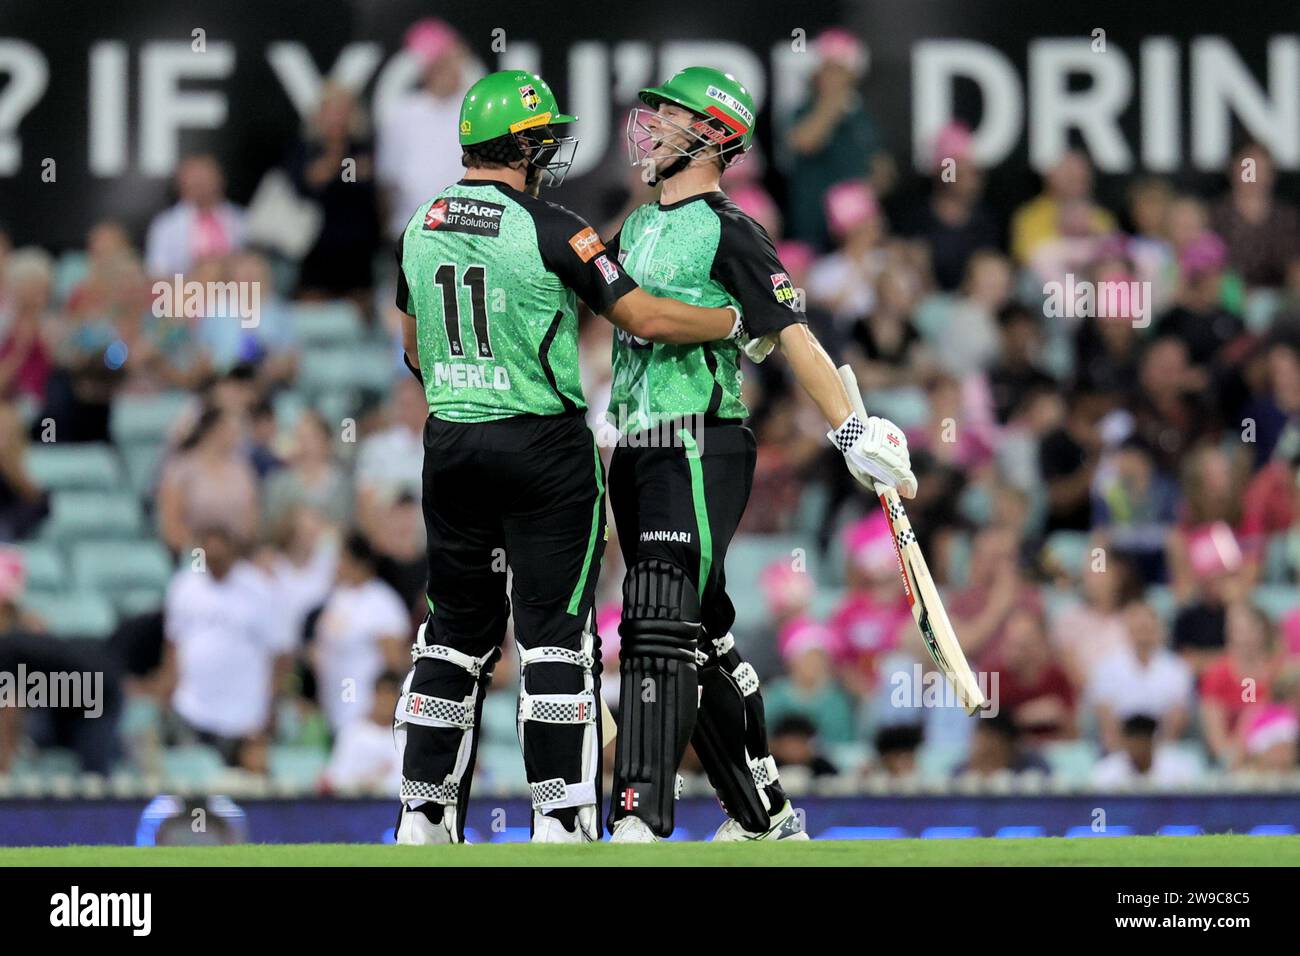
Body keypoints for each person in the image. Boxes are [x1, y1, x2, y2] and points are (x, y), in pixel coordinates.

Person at [393, 70, 750, 845]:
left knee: (452, 634)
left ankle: (421, 819)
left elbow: (412, 345)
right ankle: (559, 819)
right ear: (521, 145)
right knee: (556, 636)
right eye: (543, 138)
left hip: (450, 439)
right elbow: (645, 316)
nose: (551, 150)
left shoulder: (419, 223)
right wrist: (728, 321)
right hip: (542, 449)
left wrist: (465, 387)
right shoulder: (557, 227)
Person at [606, 66, 915, 843]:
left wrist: (851, 429)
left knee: (655, 618)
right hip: (635, 445)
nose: (651, 128)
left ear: (714, 134)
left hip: (701, 440)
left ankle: (640, 816)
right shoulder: (638, 225)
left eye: (671, 116)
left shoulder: (731, 229)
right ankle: (765, 817)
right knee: (699, 634)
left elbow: (795, 338)